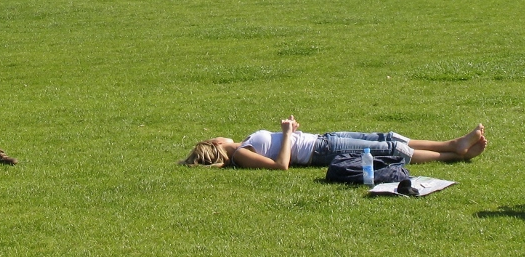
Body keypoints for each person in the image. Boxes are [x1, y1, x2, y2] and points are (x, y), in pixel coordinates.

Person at [182, 117, 486, 169]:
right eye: (215, 137)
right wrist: (287, 133)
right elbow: (280, 165)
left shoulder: (245, 145)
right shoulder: (241, 156)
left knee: (387, 137)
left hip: (322, 139)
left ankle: (453, 143)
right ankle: (454, 156)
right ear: (216, 146)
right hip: (320, 151)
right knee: (390, 151)